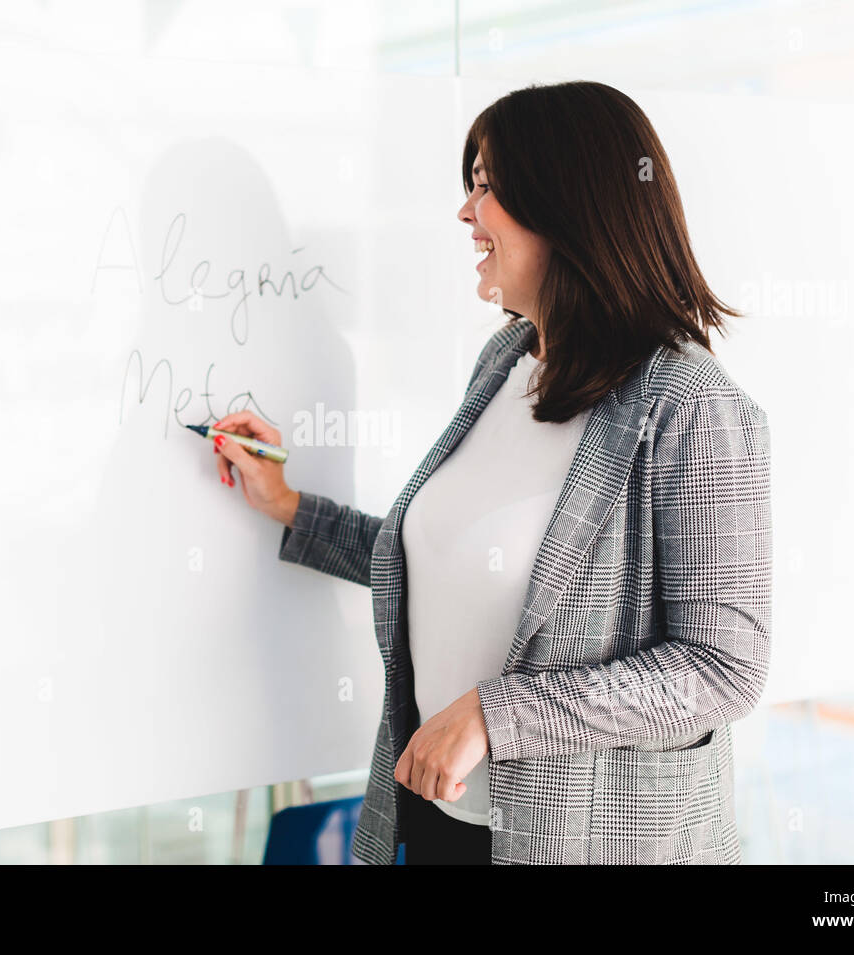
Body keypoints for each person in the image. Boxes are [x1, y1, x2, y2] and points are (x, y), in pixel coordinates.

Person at [211, 80, 772, 865]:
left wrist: (494, 716)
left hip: (584, 844)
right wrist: (290, 505)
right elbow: (451, 562)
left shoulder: (691, 406)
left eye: (486, 186)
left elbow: (722, 669)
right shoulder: (505, 361)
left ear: (567, 204)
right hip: (444, 822)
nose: (466, 213)